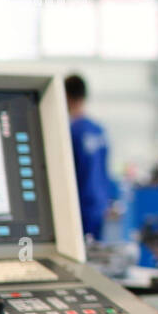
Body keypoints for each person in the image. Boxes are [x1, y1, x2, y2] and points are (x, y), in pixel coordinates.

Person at [65, 74, 115, 241]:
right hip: (99, 205)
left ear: (66, 96)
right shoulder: (99, 130)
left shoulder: (71, 132)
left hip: (79, 208)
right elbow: (105, 169)